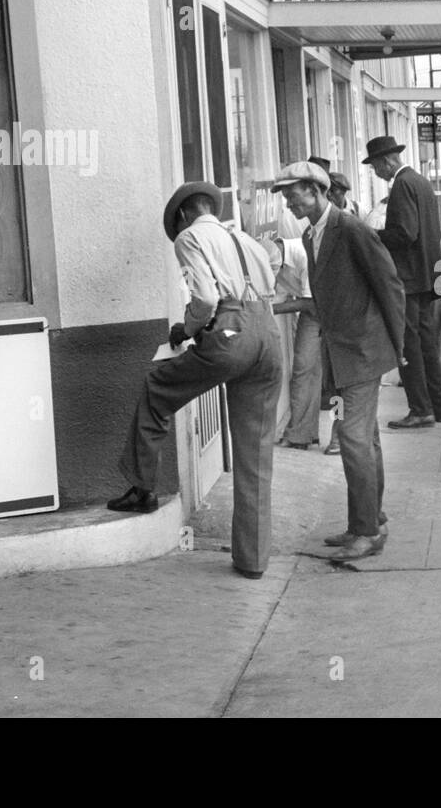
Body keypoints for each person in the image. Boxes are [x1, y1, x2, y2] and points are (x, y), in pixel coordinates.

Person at [110, 181, 282, 580]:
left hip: (230, 334)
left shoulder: (189, 238)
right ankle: (252, 560)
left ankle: (142, 488)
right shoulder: (243, 238)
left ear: (184, 215)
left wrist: (186, 330)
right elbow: (272, 275)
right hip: (268, 336)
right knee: (255, 454)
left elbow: (204, 298)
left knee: (157, 388)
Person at [275, 161, 406, 561]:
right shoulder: (314, 232)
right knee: (366, 440)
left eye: (292, 194)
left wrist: (398, 349)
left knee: (352, 440)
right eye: (284, 196)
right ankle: (369, 520)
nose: (288, 202)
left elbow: (390, 286)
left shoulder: (350, 229)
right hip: (344, 350)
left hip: (362, 352)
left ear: (315, 191)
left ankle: (367, 532)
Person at [366, 135, 441, 430]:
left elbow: (405, 233)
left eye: (375, 167)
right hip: (430, 273)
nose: (375, 173)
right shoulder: (421, 181)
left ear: (387, 161)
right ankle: (439, 407)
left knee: (409, 347)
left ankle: (420, 409)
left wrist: (374, 235)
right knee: (428, 343)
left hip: (411, 278)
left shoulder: (401, 185)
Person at [268, 235, 320, 449]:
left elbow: (309, 303)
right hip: (315, 311)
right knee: (306, 372)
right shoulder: (276, 259)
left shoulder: (302, 253)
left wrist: (270, 309)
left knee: (313, 374)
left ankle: (334, 436)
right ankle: (302, 433)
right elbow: (277, 296)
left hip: (328, 309)